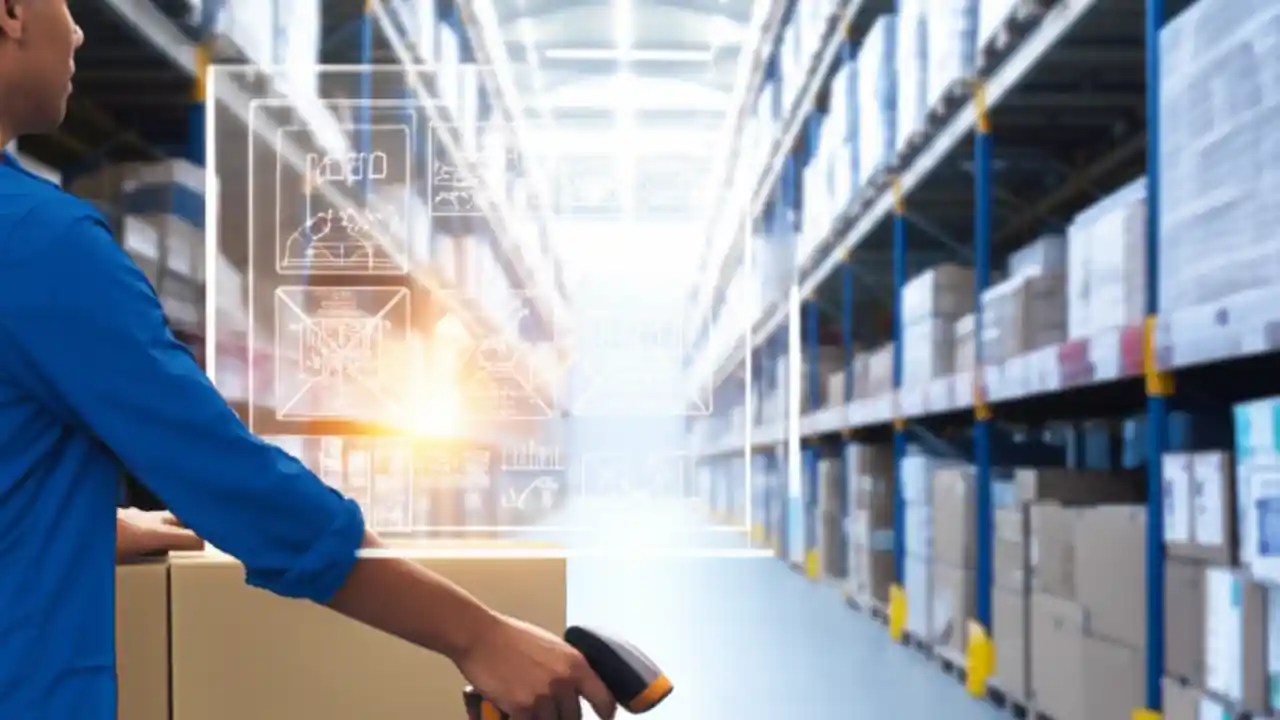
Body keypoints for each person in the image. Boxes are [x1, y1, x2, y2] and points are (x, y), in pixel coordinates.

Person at [0, 2, 616, 719]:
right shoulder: (42, 246)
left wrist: (75, 519)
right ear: (11, 11)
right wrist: (478, 636)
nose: (77, 30)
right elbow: (232, 482)